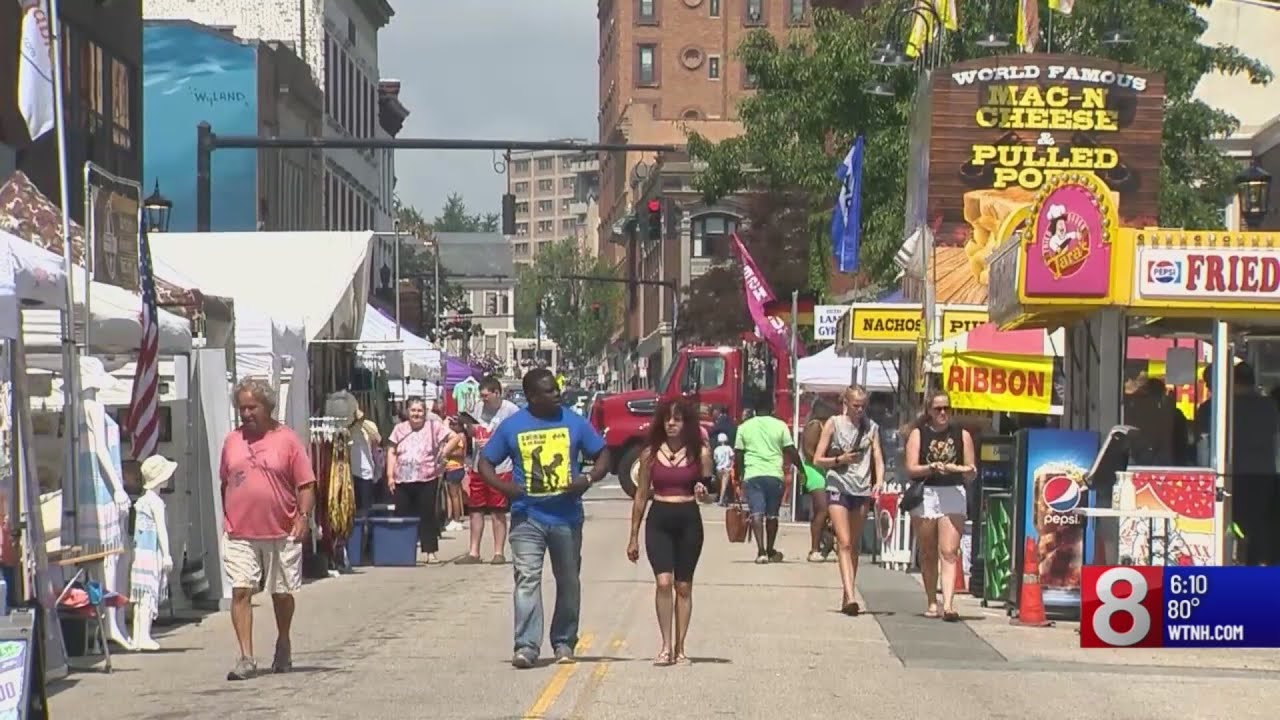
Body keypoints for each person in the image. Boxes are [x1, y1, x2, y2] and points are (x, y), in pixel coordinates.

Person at [476, 368, 611, 668]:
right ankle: (526, 646)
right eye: (548, 391)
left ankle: (564, 642)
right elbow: (485, 461)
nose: (556, 394)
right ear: (532, 397)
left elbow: (603, 453)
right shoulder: (513, 426)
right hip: (528, 518)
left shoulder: (573, 422)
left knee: (568, 581)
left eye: (555, 389)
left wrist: (587, 479)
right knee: (526, 579)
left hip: (566, 517)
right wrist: (505, 487)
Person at [219, 378, 317, 680]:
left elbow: (306, 483)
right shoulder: (232, 441)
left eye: (252, 407)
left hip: (281, 528)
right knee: (241, 590)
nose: (246, 413)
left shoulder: (287, 440)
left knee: (281, 592)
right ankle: (246, 657)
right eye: (242, 408)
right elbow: (226, 480)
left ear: (268, 407)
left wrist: (303, 517)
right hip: (239, 530)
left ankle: (283, 640)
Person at [626, 398, 714, 666]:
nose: (672, 424)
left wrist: (704, 493)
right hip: (659, 519)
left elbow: (711, 495)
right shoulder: (649, 454)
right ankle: (665, 646)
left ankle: (681, 648)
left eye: (677, 419)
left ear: (686, 423)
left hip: (688, 520)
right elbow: (641, 495)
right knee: (664, 583)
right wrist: (633, 536)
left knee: (683, 586)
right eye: (667, 419)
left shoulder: (700, 453)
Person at [903, 391, 975, 621]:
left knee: (949, 551)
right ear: (929, 411)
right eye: (938, 409)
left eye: (947, 408)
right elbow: (911, 468)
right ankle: (931, 601)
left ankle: (949, 604)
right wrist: (932, 467)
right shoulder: (918, 434)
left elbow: (971, 470)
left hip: (953, 491)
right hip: (927, 493)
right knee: (928, 551)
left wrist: (965, 471)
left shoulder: (961, 435)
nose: (943, 413)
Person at [812, 386, 884, 615]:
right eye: (856, 405)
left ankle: (847, 592)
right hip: (838, 486)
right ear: (846, 402)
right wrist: (839, 459)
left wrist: (879, 481)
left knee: (853, 545)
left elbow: (878, 457)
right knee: (843, 542)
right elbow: (817, 459)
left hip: (861, 489)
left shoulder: (871, 427)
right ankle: (852, 597)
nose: (860, 410)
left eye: (863, 406)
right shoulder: (834, 423)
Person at [386, 397, 461, 564]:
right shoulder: (399, 429)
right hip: (402, 479)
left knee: (427, 515)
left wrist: (445, 452)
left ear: (425, 413)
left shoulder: (433, 427)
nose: (416, 414)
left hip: (427, 478)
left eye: (419, 411)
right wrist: (390, 476)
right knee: (402, 515)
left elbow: (455, 438)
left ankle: (430, 552)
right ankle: (403, 552)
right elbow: (391, 451)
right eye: (413, 410)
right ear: (407, 412)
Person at [734, 396, 805, 564]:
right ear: (772, 409)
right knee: (772, 515)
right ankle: (771, 548)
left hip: (753, 475)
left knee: (756, 513)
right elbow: (790, 450)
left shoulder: (744, 427)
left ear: (754, 411)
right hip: (774, 476)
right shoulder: (780, 426)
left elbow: (738, 454)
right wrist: (801, 469)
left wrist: (738, 476)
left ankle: (761, 551)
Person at [460, 375, 521, 564]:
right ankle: (474, 552)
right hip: (479, 464)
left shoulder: (511, 410)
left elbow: (518, 435)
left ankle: (498, 552)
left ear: (497, 393)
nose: (483, 399)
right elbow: (471, 430)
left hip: (501, 467)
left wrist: (496, 442)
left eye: (486, 396)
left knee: (497, 510)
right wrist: (468, 429)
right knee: (475, 509)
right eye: (481, 396)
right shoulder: (477, 408)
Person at [349, 404, 382, 514]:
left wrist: (361, 422)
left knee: (365, 510)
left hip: (365, 473)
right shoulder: (345, 425)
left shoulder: (368, 424)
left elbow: (377, 438)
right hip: (347, 473)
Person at [443, 416, 469, 532]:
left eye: (454, 424)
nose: (452, 426)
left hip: (455, 468)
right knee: (451, 495)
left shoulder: (460, 437)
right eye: (451, 424)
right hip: (451, 468)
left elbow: (460, 453)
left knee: (454, 496)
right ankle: (452, 518)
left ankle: (457, 520)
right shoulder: (455, 437)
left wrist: (447, 452)